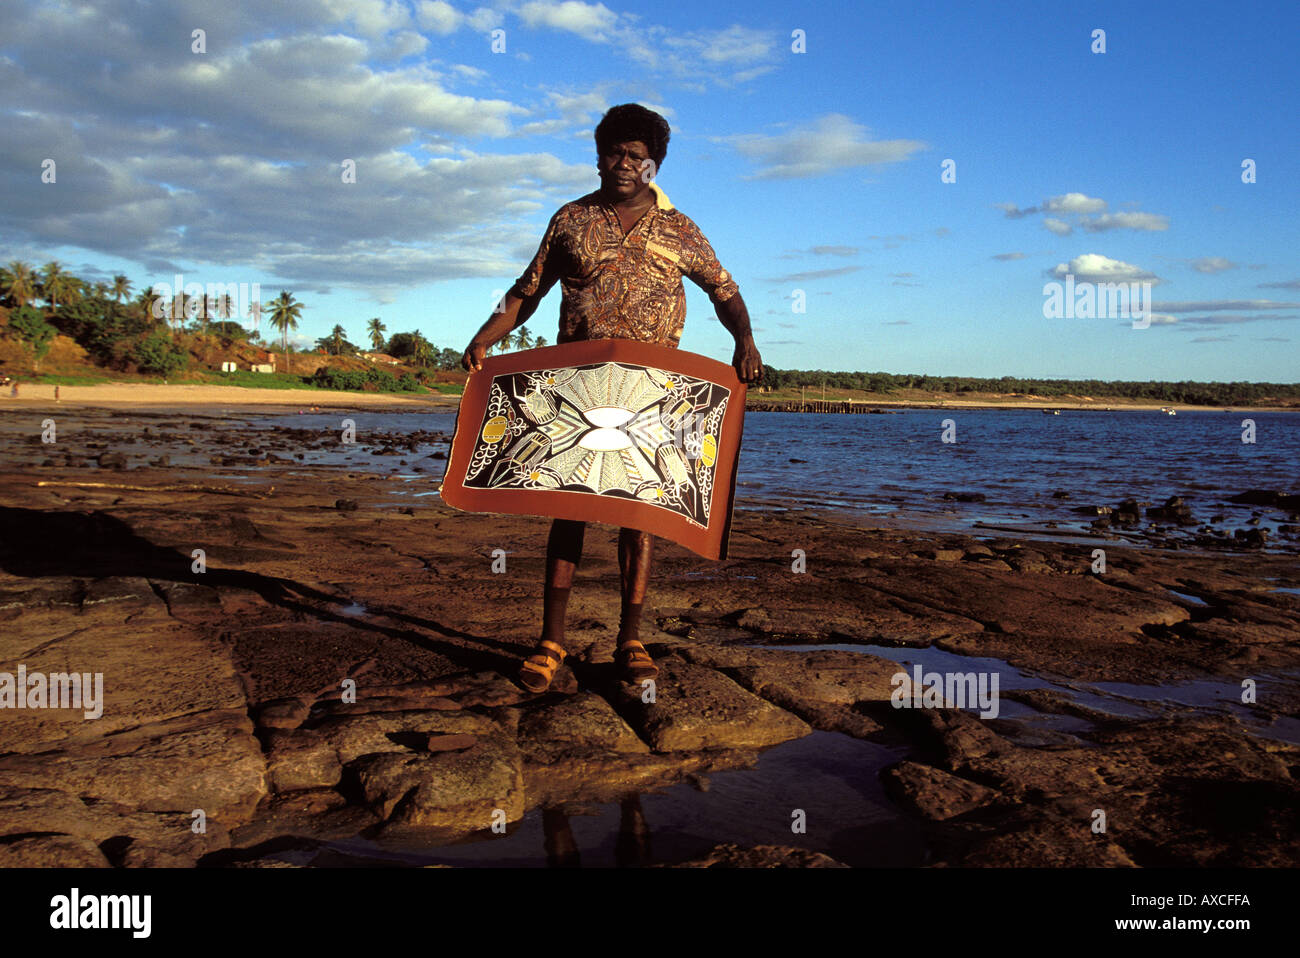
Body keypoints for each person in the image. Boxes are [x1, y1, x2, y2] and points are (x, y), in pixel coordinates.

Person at [461, 103, 763, 693]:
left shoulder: (681, 230)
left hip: (652, 394)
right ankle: (551, 644)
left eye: (636, 157)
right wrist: (483, 337)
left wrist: (745, 341)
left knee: (639, 516)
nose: (623, 165)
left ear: (653, 167)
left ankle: (631, 639)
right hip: (578, 387)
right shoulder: (571, 219)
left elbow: (723, 290)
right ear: (598, 156)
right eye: (613, 153)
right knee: (567, 507)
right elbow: (527, 293)